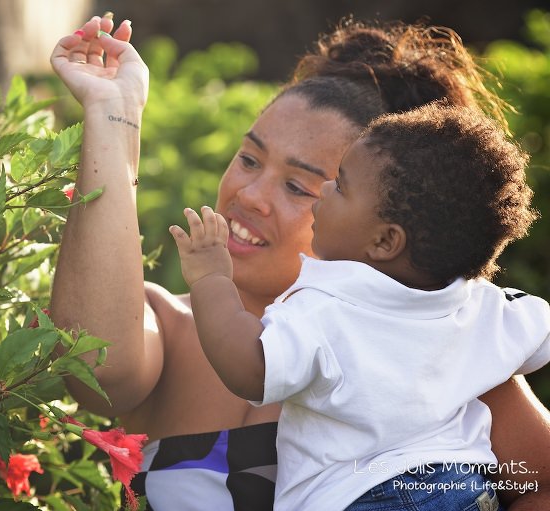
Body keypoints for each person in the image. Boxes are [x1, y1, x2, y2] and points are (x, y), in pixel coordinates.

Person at [49, 14, 550, 511]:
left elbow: (539, 483)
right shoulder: (168, 326)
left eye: (299, 187)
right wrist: (114, 114)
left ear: (385, 232)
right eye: (249, 159)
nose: (250, 196)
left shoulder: (439, 354)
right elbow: (95, 364)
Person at [169, 101, 549, 510]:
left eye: (341, 185)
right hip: (466, 490)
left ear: (385, 241)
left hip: (370, 497)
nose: (326, 189)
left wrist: (211, 280)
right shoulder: (482, 303)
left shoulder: (329, 307)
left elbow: (248, 367)